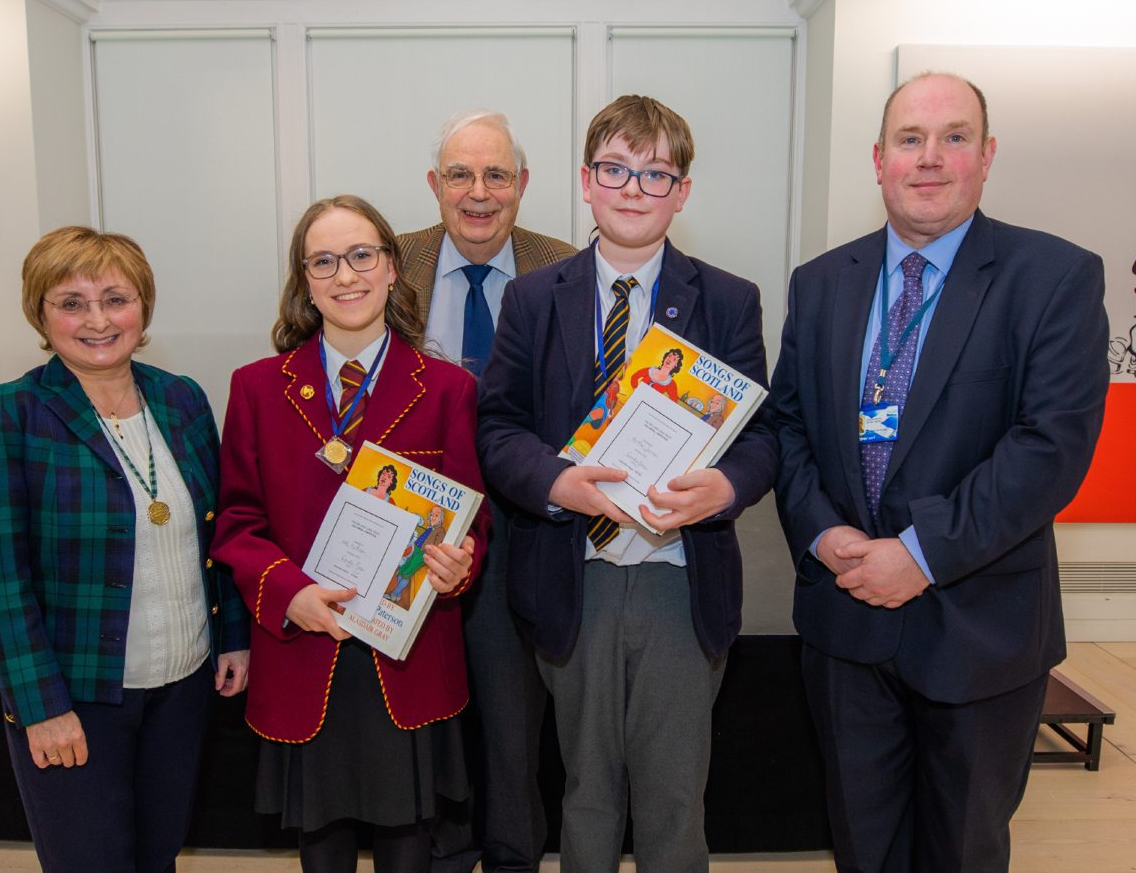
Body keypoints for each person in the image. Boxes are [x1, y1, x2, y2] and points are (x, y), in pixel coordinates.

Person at [768, 72, 1109, 872]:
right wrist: (822, 535)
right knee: (863, 844)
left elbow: (1049, 447)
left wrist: (917, 554)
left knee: (961, 849)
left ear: (986, 157)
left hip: (978, 628)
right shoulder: (821, 282)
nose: (930, 158)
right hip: (846, 621)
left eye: (953, 137)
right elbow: (788, 425)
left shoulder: (1054, 277)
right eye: (910, 140)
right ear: (878, 159)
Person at [477, 95, 775, 872]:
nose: (633, 188)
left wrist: (729, 488)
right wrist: (556, 481)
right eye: (616, 168)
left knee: (676, 794)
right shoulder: (533, 298)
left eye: (655, 174)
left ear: (682, 191)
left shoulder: (729, 298)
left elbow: (766, 437)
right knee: (587, 790)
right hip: (575, 574)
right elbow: (498, 429)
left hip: (683, 574)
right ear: (586, 180)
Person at [0, 225, 250, 873]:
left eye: (115, 298)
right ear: (40, 312)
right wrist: (40, 706)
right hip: (75, 694)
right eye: (72, 301)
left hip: (183, 683)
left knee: (158, 853)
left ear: (143, 307)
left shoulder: (182, 398)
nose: (97, 319)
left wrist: (233, 634)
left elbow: (216, 523)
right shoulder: (7, 415)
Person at [213, 194, 490, 873]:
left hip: (408, 652)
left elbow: (472, 519)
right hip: (306, 646)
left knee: (408, 843)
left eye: (362, 255)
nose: (346, 275)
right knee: (323, 843)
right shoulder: (255, 388)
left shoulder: (449, 388)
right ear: (304, 281)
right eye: (325, 261)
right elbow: (237, 523)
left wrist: (461, 562)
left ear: (392, 268)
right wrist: (290, 594)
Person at [397, 109, 575, 873]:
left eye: (496, 174)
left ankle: (509, 854)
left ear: (523, 185)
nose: (479, 192)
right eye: (461, 175)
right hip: (407, 525)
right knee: (421, 713)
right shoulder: (388, 259)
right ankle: (438, 852)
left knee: (510, 719)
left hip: (520, 525)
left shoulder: (566, 266)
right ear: (435, 185)